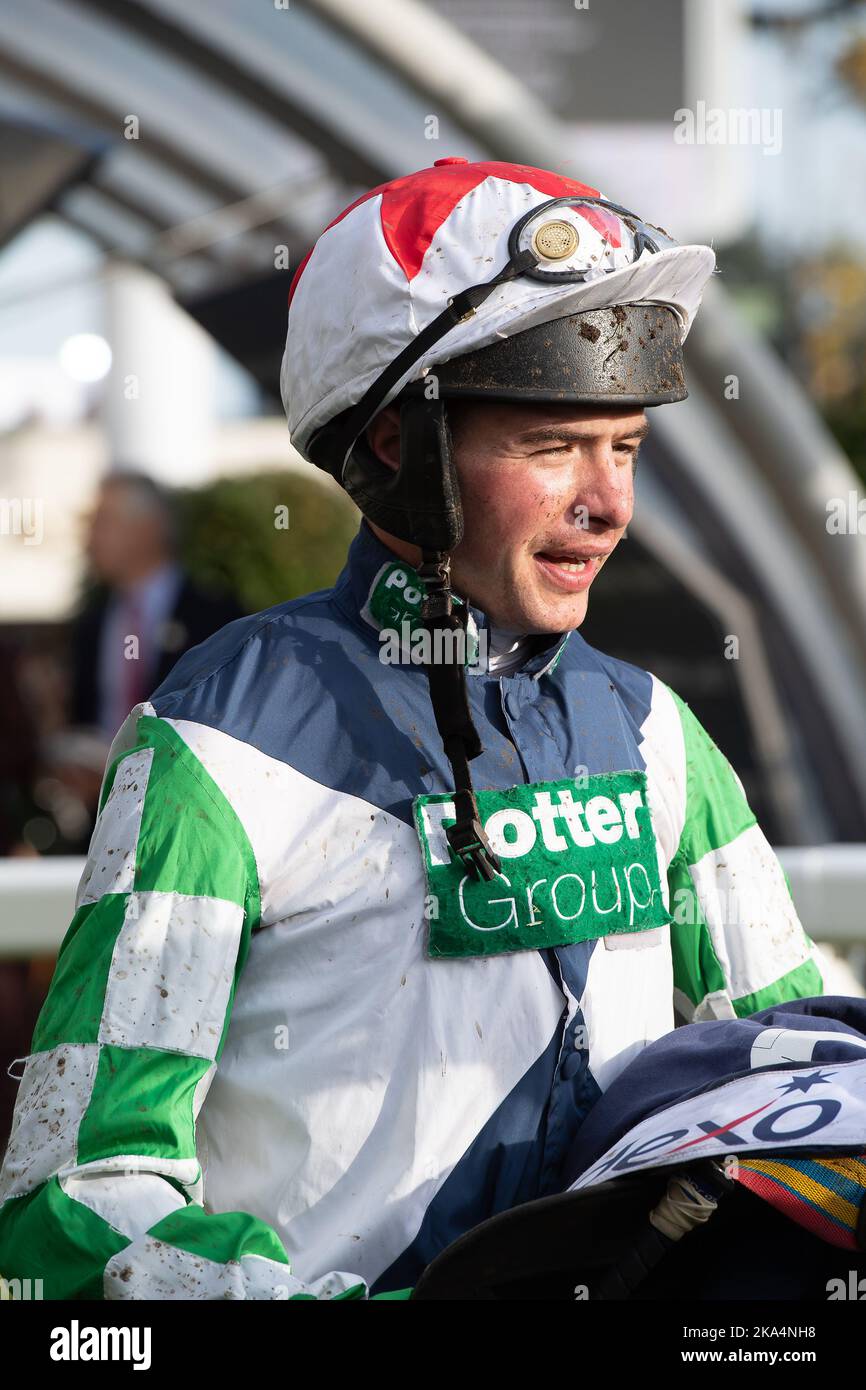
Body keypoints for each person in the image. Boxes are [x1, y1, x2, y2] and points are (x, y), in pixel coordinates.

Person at [0, 159, 827, 1301]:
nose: (607, 502)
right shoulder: (217, 741)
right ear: (395, 449)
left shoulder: (655, 734)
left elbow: (801, 1085)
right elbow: (73, 1200)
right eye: (552, 449)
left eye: (624, 446)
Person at [69, 470, 242, 742]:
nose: (90, 537)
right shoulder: (93, 621)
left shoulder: (215, 616)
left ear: (147, 528)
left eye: (102, 522)